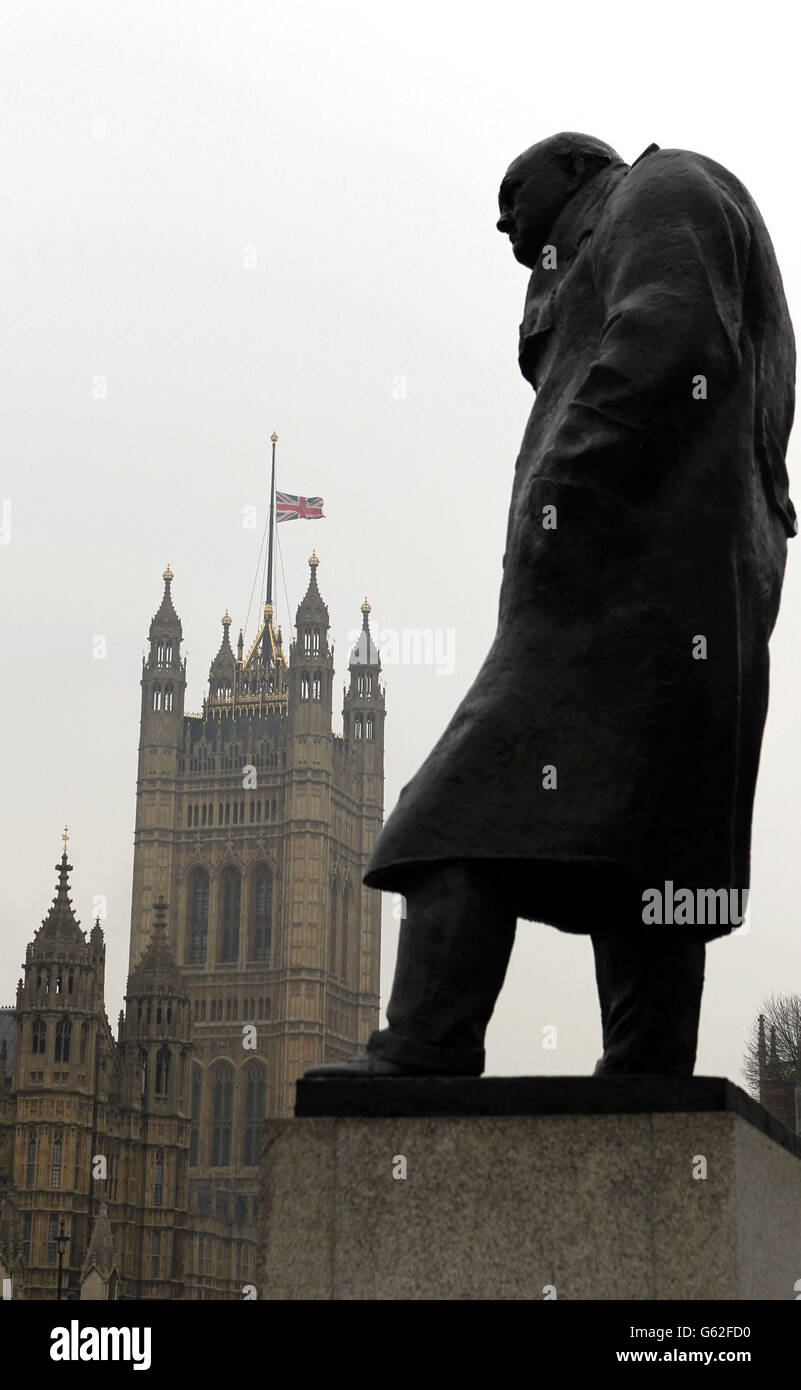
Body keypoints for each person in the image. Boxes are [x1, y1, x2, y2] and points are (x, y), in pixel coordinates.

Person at [307, 132, 796, 1080]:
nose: (501, 219)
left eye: (512, 192)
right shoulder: (612, 233)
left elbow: (671, 337)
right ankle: (647, 1073)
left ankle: (425, 1044)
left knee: (449, 815)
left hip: (622, 583)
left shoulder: (659, 189)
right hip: (683, 590)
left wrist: (559, 490)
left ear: (577, 169)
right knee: (652, 846)